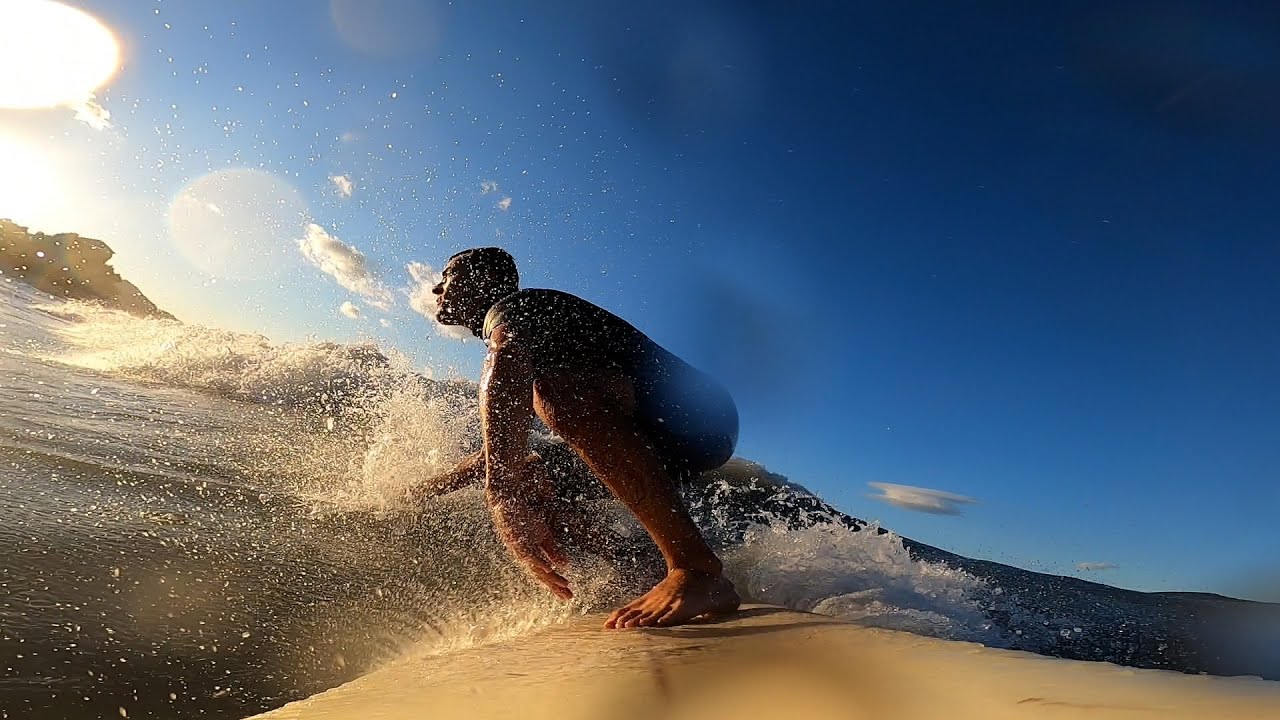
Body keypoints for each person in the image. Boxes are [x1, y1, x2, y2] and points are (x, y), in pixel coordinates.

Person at [426, 246, 741, 629]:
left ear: (485, 281)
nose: (436, 290)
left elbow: (505, 360)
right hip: (660, 435)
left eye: (448, 277)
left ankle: (696, 569)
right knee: (527, 474)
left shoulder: (514, 308)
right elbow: (493, 455)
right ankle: (639, 568)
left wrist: (501, 496)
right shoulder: (532, 334)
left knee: (554, 395)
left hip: (700, 417)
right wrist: (416, 495)